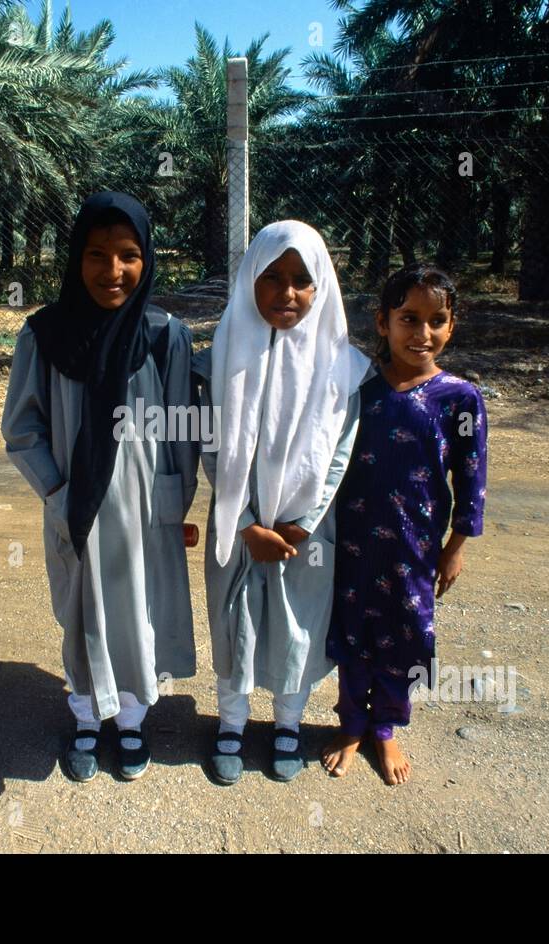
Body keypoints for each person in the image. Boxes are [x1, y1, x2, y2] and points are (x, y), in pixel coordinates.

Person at [1, 192, 198, 783]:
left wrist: (171, 503)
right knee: (82, 615)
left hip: (144, 513)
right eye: (95, 255)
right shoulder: (45, 334)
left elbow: (183, 432)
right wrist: (60, 497)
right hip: (75, 511)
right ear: (74, 258)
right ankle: (86, 718)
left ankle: (132, 722)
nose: (112, 272)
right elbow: (22, 429)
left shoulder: (164, 337)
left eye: (128, 255)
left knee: (138, 616)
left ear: (148, 260)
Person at [194, 220, 371, 785]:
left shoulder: (343, 366)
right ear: (250, 278)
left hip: (305, 536)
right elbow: (209, 443)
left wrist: (301, 523)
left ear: (321, 288)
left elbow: (339, 452)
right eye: (271, 277)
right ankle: (231, 724)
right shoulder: (217, 358)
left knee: (297, 628)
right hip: (235, 524)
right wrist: (246, 522)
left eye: (301, 280)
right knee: (234, 623)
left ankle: (289, 725)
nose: (286, 293)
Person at [321, 262, 488, 784]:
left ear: (451, 326)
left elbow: (472, 477)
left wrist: (455, 545)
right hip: (350, 539)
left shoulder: (459, 398)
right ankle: (351, 725)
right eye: (408, 319)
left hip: (415, 547)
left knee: (404, 635)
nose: (422, 333)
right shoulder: (358, 387)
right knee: (353, 631)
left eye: (436, 320)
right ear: (382, 322)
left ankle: (386, 729)